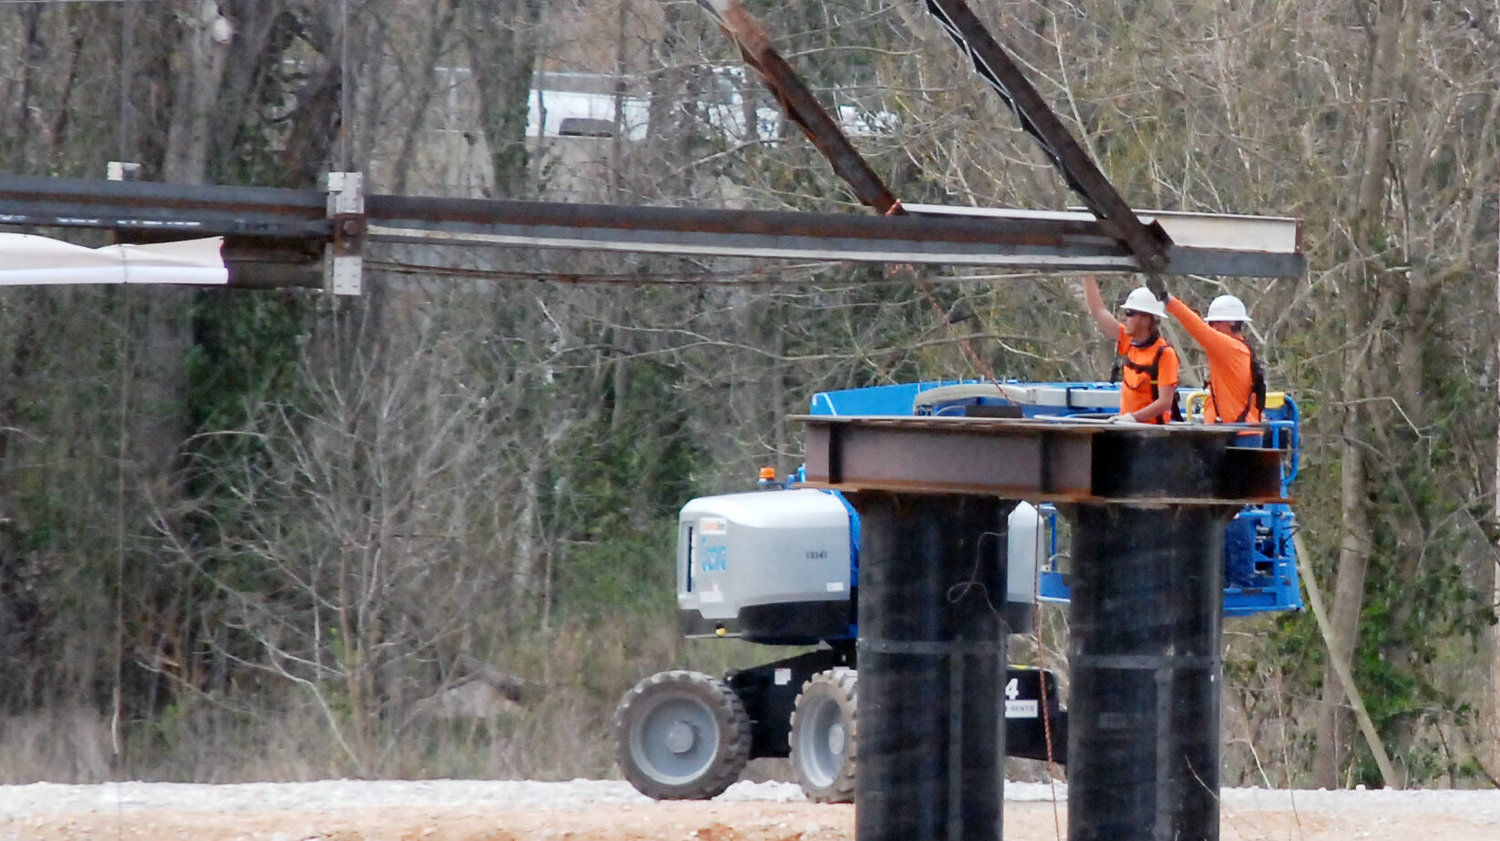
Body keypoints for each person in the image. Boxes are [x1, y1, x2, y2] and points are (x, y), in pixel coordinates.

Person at [1080, 276, 1180, 423]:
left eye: (1129, 313)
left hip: (1153, 433)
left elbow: (1164, 402)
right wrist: (1087, 275)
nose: (1124, 318)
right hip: (1127, 428)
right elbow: (1098, 311)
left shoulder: (1164, 354)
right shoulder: (1129, 341)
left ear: (1146, 319)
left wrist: (1132, 418)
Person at [1162, 291, 1264, 424]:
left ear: (1231, 322)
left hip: (1235, 430)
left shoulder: (1230, 348)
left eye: (1214, 323)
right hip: (1237, 428)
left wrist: (1168, 300)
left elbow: (1197, 328)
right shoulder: (1242, 349)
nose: (1212, 328)